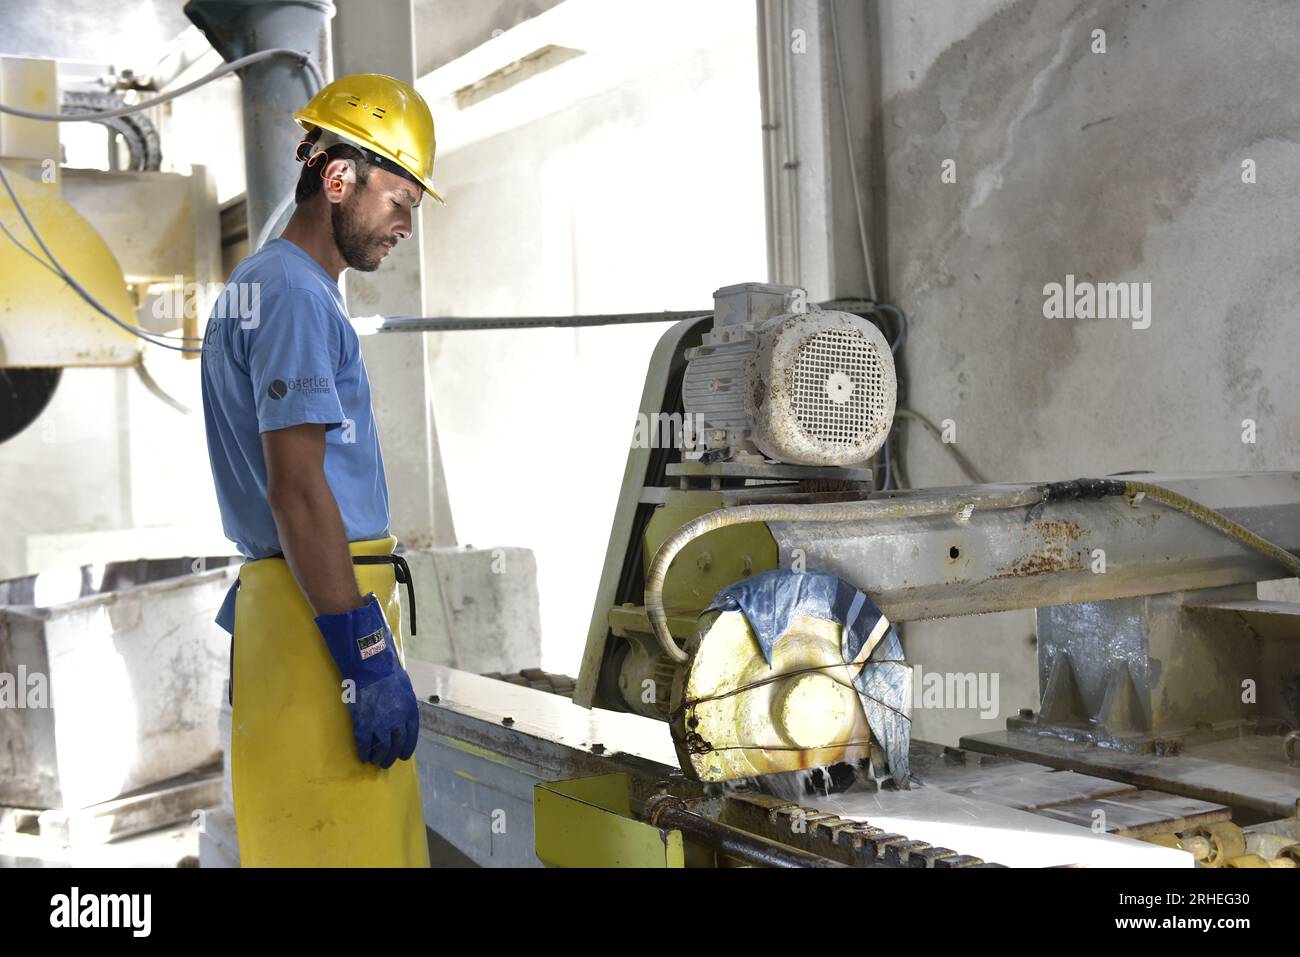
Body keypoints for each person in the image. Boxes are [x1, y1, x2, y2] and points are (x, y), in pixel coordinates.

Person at [200, 74, 444, 867]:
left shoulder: (269, 288)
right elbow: (297, 488)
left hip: (299, 610)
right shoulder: (295, 297)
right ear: (339, 177)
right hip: (320, 625)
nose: (406, 225)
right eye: (399, 200)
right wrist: (363, 653)